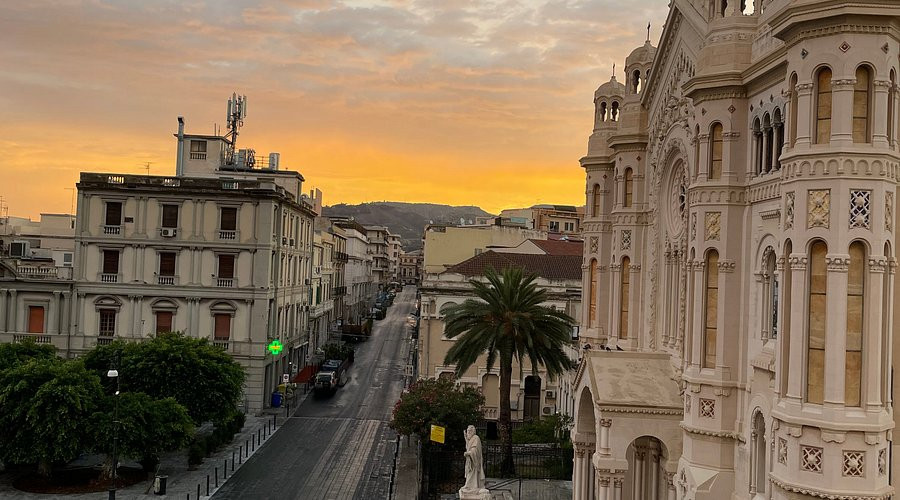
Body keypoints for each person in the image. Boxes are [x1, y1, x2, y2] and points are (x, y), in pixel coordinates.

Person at [462, 425, 486, 492]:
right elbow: (468, 447)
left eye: (469, 431)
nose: (468, 432)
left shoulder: (476, 438)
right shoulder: (471, 439)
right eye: (467, 431)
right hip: (470, 461)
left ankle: (472, 486)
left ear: (473, 431)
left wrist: (468, 453)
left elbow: (475, 450)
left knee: (472, 473)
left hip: (474, 461)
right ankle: (468, 486)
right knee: (470, 473)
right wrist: (466, 439)